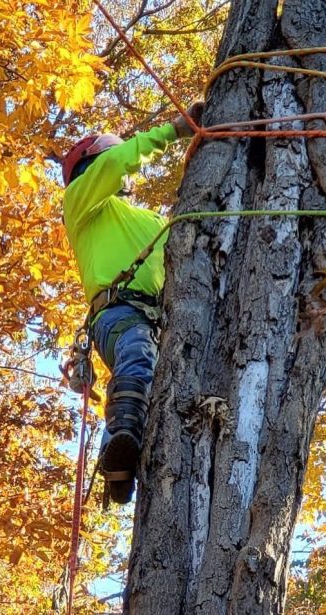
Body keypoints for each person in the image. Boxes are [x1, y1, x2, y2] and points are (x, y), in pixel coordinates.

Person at [61, 103, 204, 504]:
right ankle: (122, 435)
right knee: (137, 351)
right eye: (112, 162)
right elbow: (117, 163)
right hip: (118, 314)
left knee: (150, 371)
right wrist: (175, 130)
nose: (124, 171)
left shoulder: (155, 223)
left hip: (158, 321)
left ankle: (117, 453)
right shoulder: (82, 206)